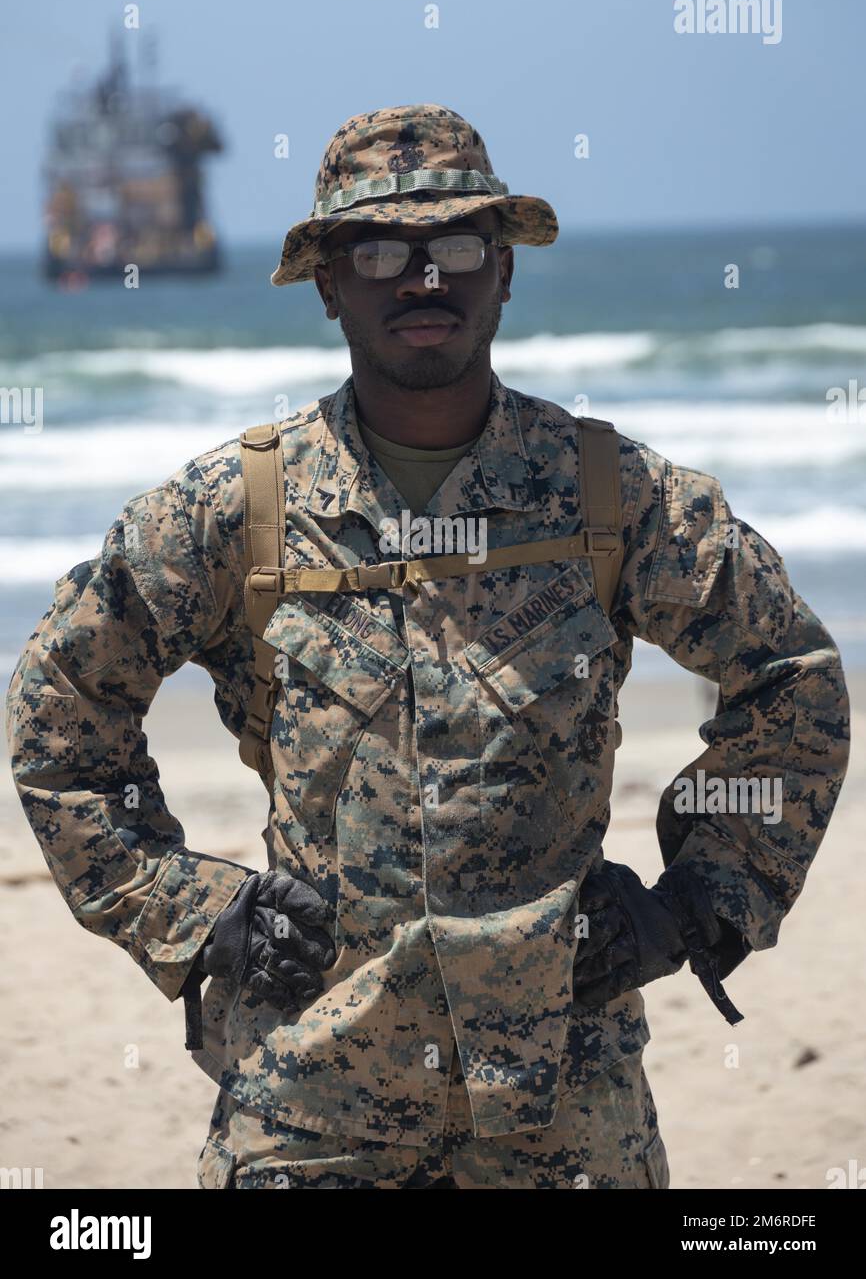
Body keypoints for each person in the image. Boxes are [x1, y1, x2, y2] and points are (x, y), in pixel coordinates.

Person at [6, 104, 850, 1190]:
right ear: (328, 284)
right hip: (312, 1102)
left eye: (457, 246)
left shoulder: (611, 495)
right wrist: (193, 913)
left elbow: (793, 683)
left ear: (504, 271)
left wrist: (697, 903)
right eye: (379, 253)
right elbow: (62, 706)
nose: (423, 279)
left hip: (565, 1107)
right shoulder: (237, 510)